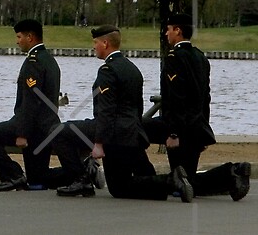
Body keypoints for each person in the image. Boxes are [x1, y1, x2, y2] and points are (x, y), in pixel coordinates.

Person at [55, 25, 194, 201]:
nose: (94, 47)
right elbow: (138, 106)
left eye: (95, 43)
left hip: (112, 132)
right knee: (130, 181)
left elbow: (106, 110)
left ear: (105, 43)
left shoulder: (107, 71)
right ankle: (170, 181)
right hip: (132, 131)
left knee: (60, 132)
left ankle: (80, 179)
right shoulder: (132, 68)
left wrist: (98, 142)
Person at [143, 13, 250, 200]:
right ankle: (232, 174)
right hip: (196, 126)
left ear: (178, 30)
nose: (166, 34)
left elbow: (176, 98)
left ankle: (141, 174)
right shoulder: (200, 57)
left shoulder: (175, 58)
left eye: (168, 30)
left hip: (179, 126)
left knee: (138, 129)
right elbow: (204, 98)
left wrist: (173, 133)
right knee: (187, 182)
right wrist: (203, 129)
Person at [0, 19, 80, 191]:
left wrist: (22, 133)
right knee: (37, 178)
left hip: (31, 125)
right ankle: (83, 171)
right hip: (47, 126)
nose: (17, 41)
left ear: (30, 37)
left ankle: (13, 176)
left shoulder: (33, 62)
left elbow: (31, 100)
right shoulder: (49, 60)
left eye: (19, 37)